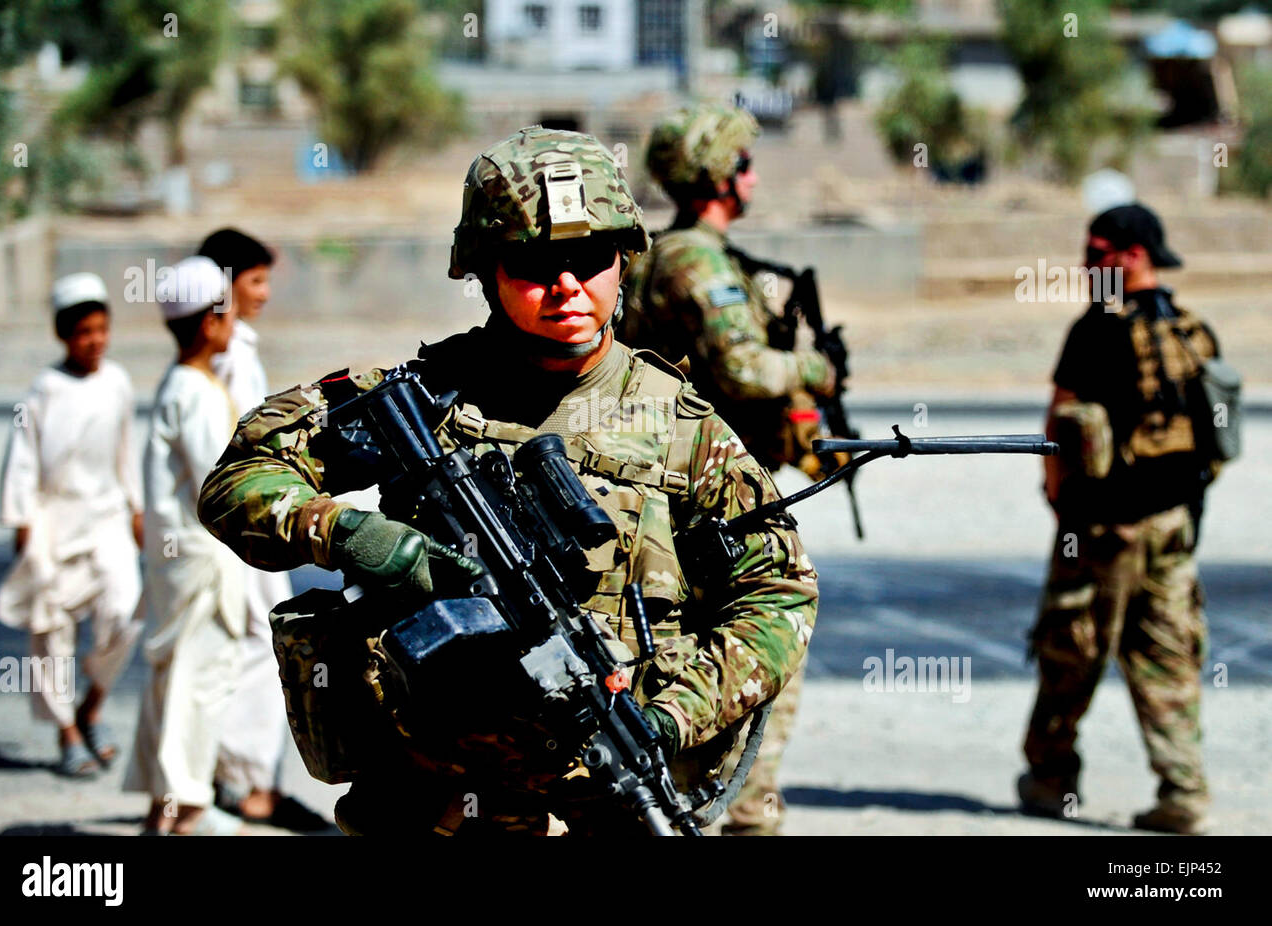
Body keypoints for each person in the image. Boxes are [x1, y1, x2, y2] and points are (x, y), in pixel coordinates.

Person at [198, 126, 818, 836]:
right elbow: (239, 476)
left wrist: (673, 715)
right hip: (434, 797)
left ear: (624, 258)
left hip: (604, 795)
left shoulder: (685, 427)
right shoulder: (424, 400)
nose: (566, 287)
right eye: (532, 264)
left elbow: (779, 592)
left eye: (589, 259)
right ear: (485, 269)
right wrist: (348, 533)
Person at [620, 102, 839, 836]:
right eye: (743, 163)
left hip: (673, 491)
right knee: (762, 646)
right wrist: (817, 367)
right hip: (712, 496)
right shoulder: (694, 258)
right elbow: (744, 370)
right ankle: (747, 811)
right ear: (719, 175)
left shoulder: (654, 252)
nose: (752, 175)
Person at [1020, 203, 1224, 835]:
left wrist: (1062, 508)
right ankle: (1183, 791)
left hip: (1103, 529)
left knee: (1071, 650)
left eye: (1097, 253)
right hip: (1173, 526)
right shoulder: (1195, 331)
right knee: (1168, 656)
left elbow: (1058, 425)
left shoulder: (1096, 329)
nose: (1086, 268)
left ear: (1133, 255)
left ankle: (1051, 777)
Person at [197, 228, 323, 830]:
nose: (265, 293)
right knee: (256, 646)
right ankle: (246, 784)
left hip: (242, 531)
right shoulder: (224, 357)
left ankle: (245, 777)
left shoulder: (235, 349)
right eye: (255, 281)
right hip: (240, 534)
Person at [0, 273, 143, 778]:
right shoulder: (43, 390)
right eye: (84, 332)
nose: (95, 341)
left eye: (102, 329)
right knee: (51, 631)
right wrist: (21, 521)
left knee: (124, 611)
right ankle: (68, 733)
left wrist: (137, 508)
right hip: (52, 523)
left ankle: (93, 706)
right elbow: (22, 460)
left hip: (107, 520)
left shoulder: (118, 381)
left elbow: (126, 451)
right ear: (64, 335)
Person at [124, 256, 247, 835]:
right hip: (199, 563)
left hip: (179, 562)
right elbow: (215, 481)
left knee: (176, 679)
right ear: (207, 322)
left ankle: (165, 806)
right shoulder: (195, 391)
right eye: (225, 310)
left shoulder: (183, 382)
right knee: (197, 682)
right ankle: (186, 805)